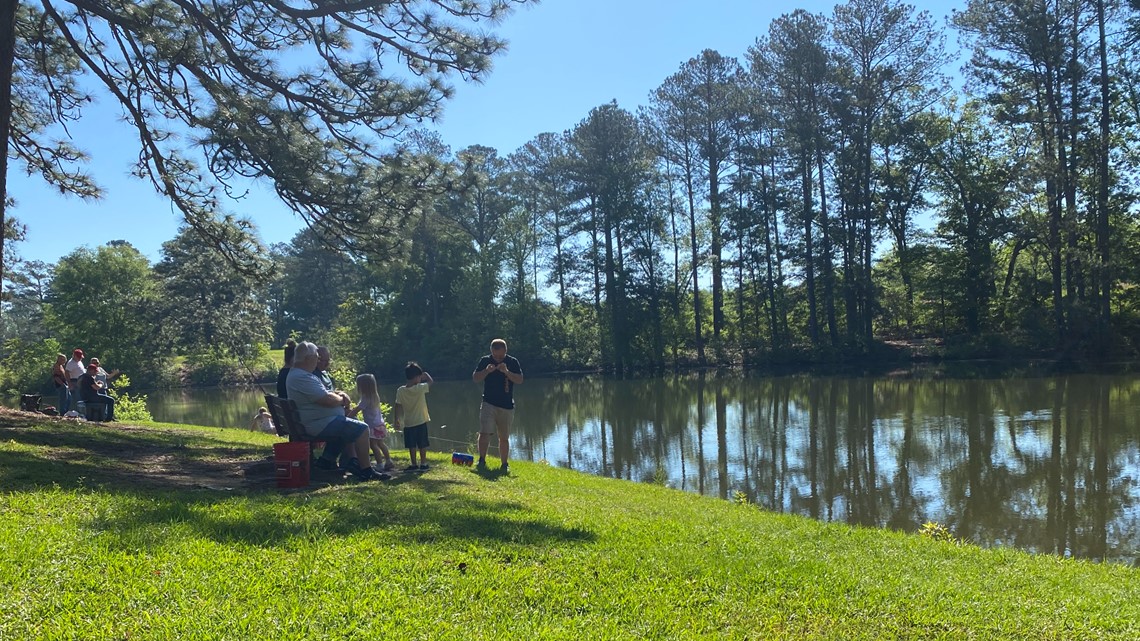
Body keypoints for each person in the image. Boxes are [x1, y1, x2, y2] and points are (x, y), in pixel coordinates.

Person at [285, 341, 387, 481]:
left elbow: (325, 394)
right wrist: (343, 400)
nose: (318, 360)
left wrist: (338, 396)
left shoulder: (300, 375)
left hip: (314, 422)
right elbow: (326, 399)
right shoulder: (302, 377)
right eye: (317, 357)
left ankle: (328, 460)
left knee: (351, 424)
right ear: (308, 359)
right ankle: (366, 470)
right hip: (316, 424)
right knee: (362, 429)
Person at [472, 338, 523, 473]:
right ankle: (482, 460)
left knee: (504, 437)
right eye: (495, 356)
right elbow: (475, 378)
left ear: (506, 351)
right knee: (484, 432)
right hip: (488, 403)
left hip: (506, 406)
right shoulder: (485, 361)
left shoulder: (512, 362)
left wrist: (506, 372)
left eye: (501, 356)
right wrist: (486, 371)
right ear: (491, 351)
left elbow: (519, 380)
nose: (498, 358)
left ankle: (504, 464)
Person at [349, 374, 395, 471]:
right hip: (380, 424)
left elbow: (357, 410)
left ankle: (379, 464)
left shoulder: (365, 399)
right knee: (381, 444)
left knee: (373, 445)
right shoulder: (375, 396)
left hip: (372, 426)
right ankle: (388, 460)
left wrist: (348, 417)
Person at [394, 362, 433, 471]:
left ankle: (414, 464)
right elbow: (431, 382)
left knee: (411, 445)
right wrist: (427, 375)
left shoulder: (400, 390)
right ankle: (423, 463)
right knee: (422, 444)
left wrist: (396, 419)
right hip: (420, 421)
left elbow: (397, 405)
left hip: (408, 422)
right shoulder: (420, 388)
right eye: (420, 377)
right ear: (416, 377)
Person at [64, 348, 86, 413]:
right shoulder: (71, 363)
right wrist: (69, 383)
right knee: (76, 397)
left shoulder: (79, 362)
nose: (80, 358)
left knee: (81, 397)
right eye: (79, 357)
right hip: (74, 381)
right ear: (74, 355)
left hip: (81, 382)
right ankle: (75, 411)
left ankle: (80, 411)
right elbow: (67, 372)